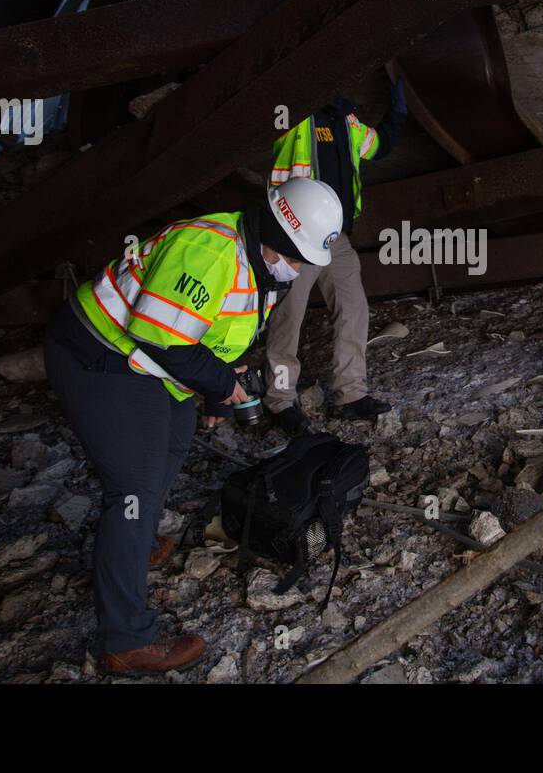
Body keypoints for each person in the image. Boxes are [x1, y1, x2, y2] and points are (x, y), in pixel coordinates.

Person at [43, 178, 343, 675]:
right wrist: (221, 385)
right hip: (101, 353)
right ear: (273, 231)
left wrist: (218, 398)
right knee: (133, 489)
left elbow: (218, 334)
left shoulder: (265, 267)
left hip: (155, 366)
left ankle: (133, 548)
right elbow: (164, 338)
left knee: (174, 444)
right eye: (295, 256)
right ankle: (124, 640)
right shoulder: (209, 248)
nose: (298, 267)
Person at [264, 81, 408, 434]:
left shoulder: (348, 120)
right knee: (288, 317)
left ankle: (351, 394)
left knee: (354, 308)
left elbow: (379, 146)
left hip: (335, 239)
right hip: (294, 236)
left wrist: (399, 113)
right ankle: (279, 400)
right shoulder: (295, 120)